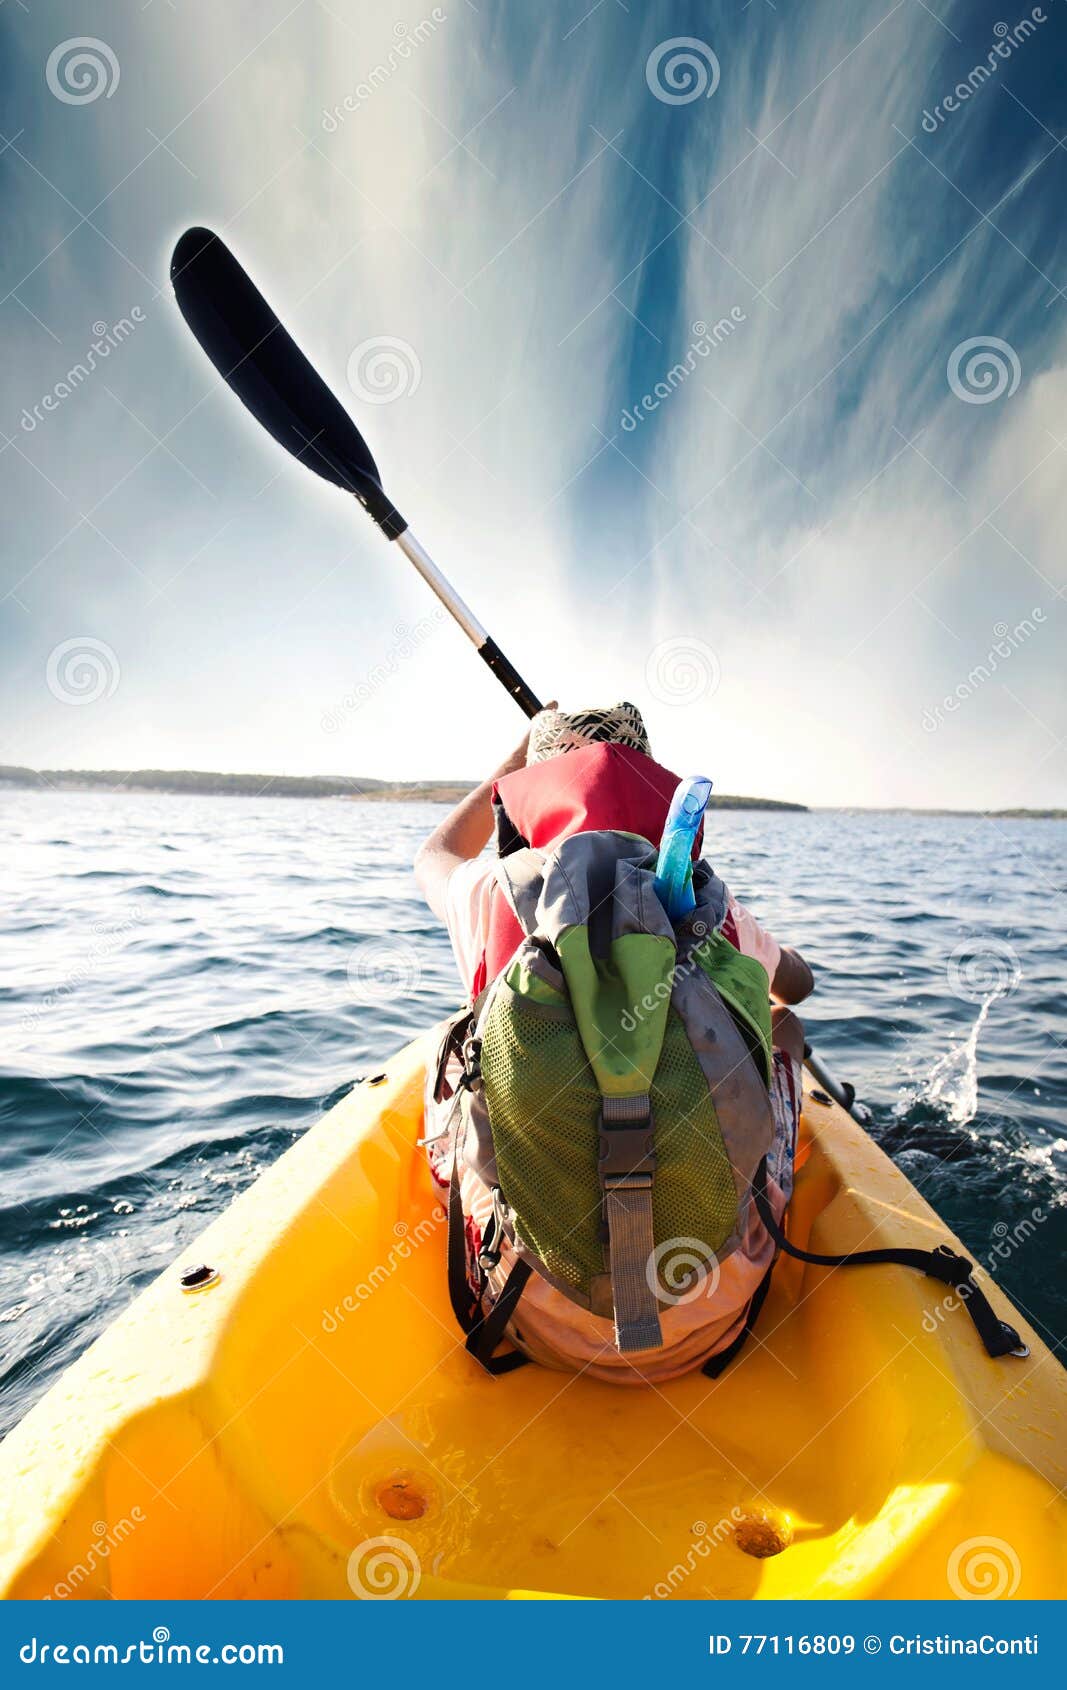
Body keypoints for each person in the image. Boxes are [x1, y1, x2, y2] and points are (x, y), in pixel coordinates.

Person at [414, 702, 815, 1383]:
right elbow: (799, 987)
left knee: (452, 1041)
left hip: (525, 1312)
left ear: (529, 792)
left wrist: (510, 764)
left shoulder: (490, 894)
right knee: (783, 1029)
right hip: (715, 1313)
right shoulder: (712, 907)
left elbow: (432, 856)